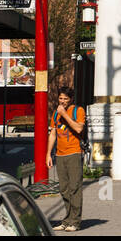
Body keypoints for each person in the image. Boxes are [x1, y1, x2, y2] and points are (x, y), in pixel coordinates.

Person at [47, 86, 86, 232]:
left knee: (74, 188)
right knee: (64, 189)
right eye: (60, 98)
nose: (62, 101)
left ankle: (75, 221)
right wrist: (48, 154)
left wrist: (65, 114)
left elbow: (78, 129)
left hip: (74, 153)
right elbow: (53, 134)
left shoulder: (78, 111)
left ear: (71, 99)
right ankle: (67, 219)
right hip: (60, 154)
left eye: (65, 99)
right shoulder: (55, 114)